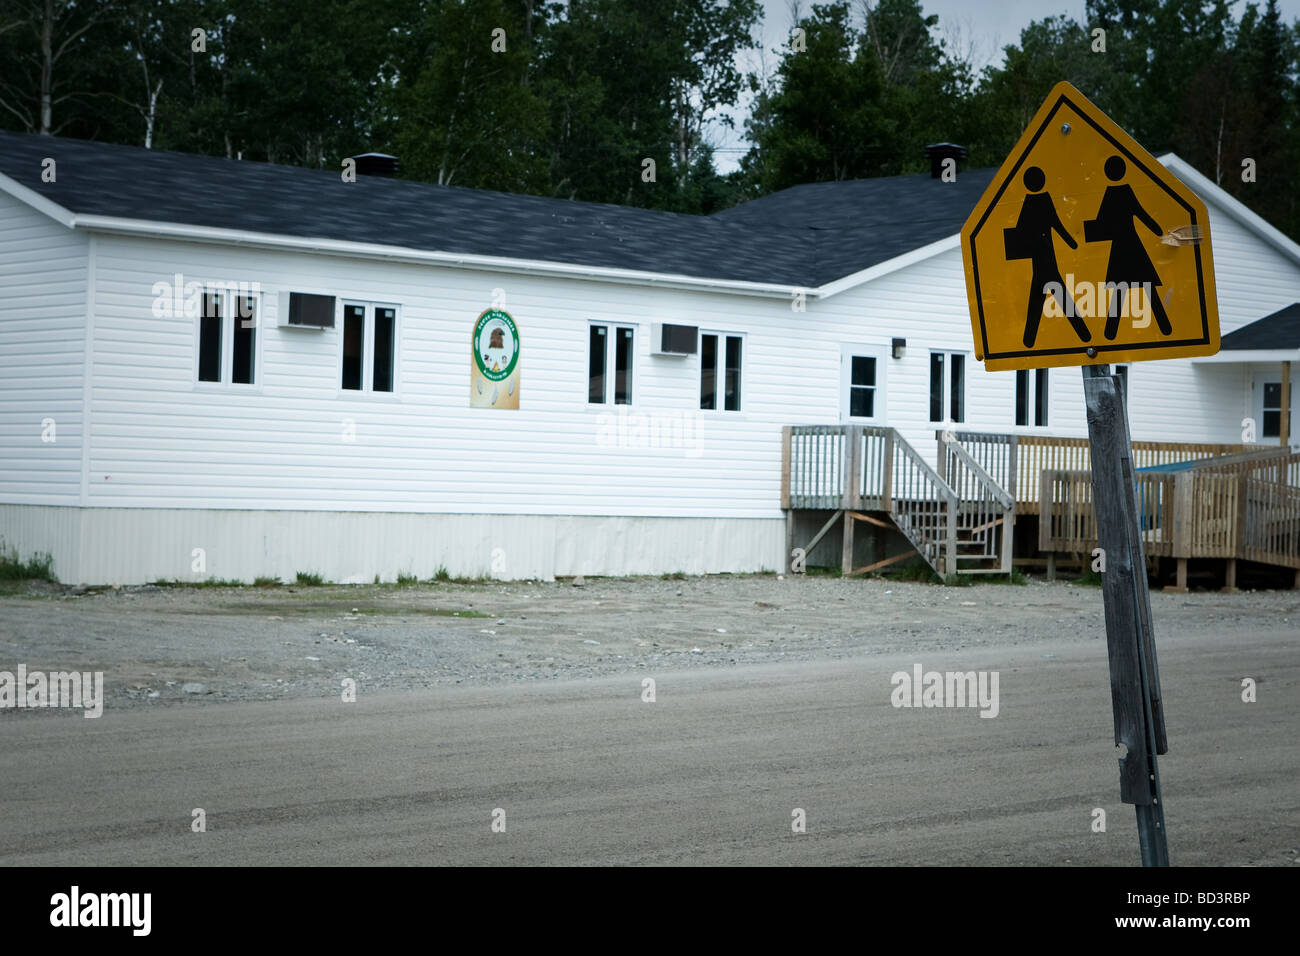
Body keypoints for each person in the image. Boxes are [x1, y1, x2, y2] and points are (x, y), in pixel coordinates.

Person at [1084, 155, 1172, 339]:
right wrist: (1158, 230)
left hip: (1121, 248)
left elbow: (1101, 222)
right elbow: (1141, 213)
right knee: (1144, 286)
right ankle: (1163, 327)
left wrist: (1159, 232)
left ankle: (1111, 332)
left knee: (1124, 287)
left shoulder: (1111, 194)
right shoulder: (1124, 192)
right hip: (1131, 244)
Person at [1004, 166, 1091, 348]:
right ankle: (1083, 335)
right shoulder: (1042, 200)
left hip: (1042, 262)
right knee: (1055, 298)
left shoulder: (1031, 201)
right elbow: (1056, 223)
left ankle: (1030, 340)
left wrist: (1072, 243)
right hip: (1046, 261)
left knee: (1041, 300)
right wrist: (1071, 242)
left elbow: (1023, 230)